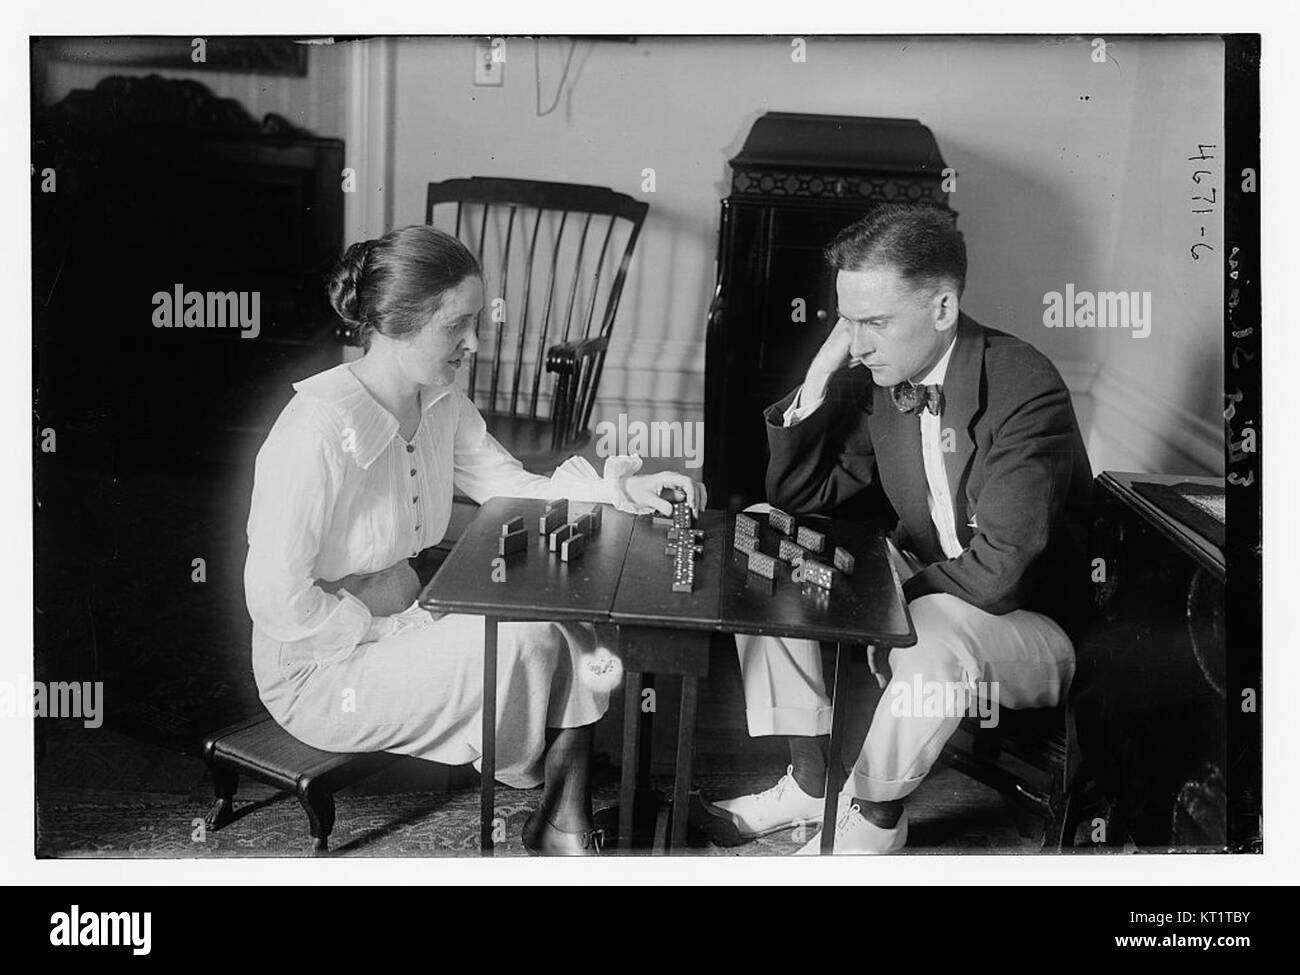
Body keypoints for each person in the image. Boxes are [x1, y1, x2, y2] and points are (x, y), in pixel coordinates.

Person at [244, 225, 703, 855]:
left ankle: (562, 821)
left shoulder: (441, 403)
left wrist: (619, 493)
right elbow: (276, 600)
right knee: (521, 635)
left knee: (567, 618)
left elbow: (507, 484)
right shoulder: (316, 428)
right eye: (456, 325)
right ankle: (557, 806)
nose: (475, 343)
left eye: (477, 322)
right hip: (321, 668)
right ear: (401, 321)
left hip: (404, 619)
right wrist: (388, 630)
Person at [712, 204, 1092, 854]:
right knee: (763, 536)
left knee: (935, 632)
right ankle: (810, 779)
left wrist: (881, 605)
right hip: (926, 585)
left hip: (1026, 626)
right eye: (847, 321)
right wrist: (817, 376)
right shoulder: (895, 376)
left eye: (875, 322)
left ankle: (876, 819)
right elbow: (800, 495)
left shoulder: (1027, 388)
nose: (857, 345)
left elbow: (1000, 570)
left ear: (942, 308)